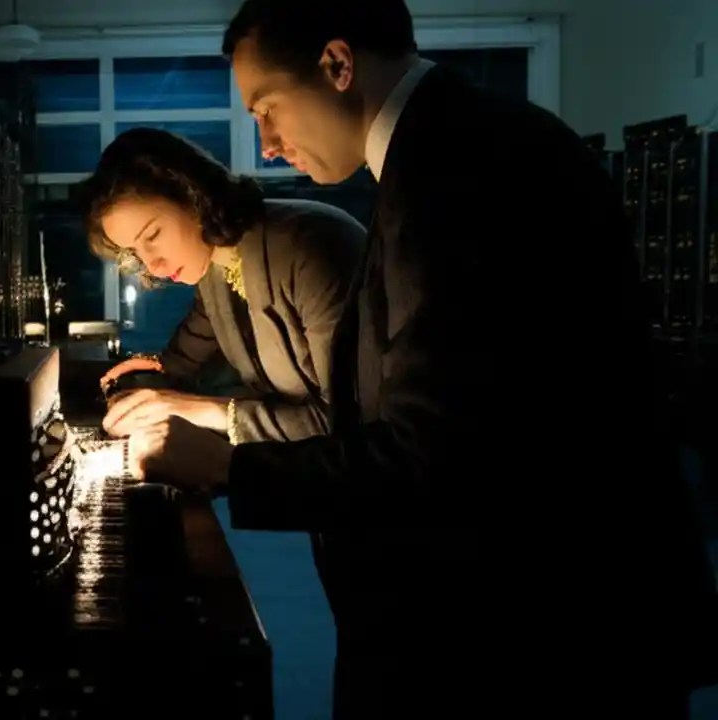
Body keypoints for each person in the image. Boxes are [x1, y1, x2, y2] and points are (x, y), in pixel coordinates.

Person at [123, 1, 718, 717]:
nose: (268, 144)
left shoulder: (456, 172)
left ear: (338, 65)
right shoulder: (449, 148)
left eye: (267, 109)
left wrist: (227, 465)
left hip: (543, 630)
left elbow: (438, 452)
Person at [81, 127, 365, 447]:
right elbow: (181, 360)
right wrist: (146, 376)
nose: (152, 265)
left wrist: (198, 410)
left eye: (153, 235)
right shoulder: (216, 269)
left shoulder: (307, 249)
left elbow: (348, 422)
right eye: (135, 251)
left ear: (192, 196)